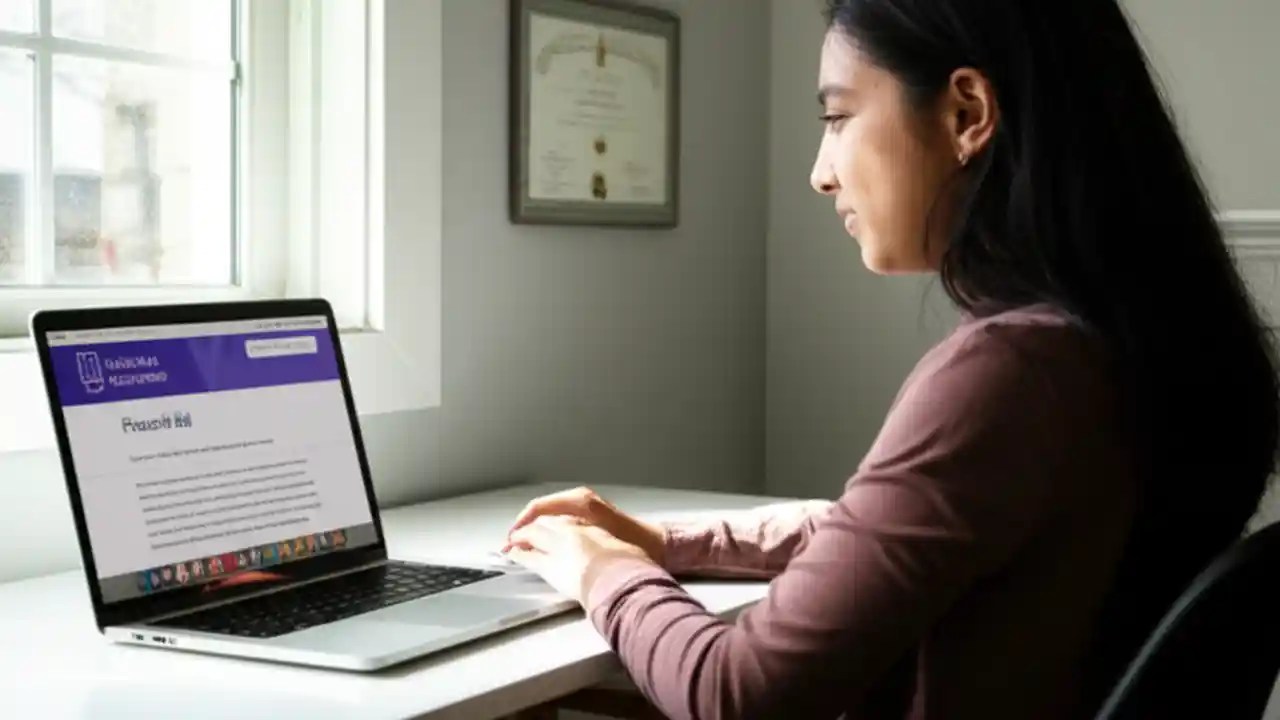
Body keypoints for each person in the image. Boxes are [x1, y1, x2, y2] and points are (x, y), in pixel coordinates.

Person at [500, 1, 1279, 718]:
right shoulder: (1123, 342)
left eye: (838, 117)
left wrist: (599, 572)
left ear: (967, 113)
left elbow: (735, 693)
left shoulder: (1015, 372)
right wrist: (666, 544)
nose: (820, 170)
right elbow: (871, 533)